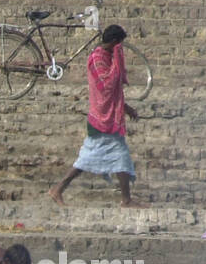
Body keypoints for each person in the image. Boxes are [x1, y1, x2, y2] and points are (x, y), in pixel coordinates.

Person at [48, 24, 144, 209]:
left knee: (120, 158)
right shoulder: (97, 59)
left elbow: (113, 92)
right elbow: (106, 88)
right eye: (120, 44)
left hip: (109, 120)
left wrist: (127, 108)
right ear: (115, 42)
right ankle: (58, 189)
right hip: (100, 120)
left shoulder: (107, 57)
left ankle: (126, 200)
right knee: (88, 160)